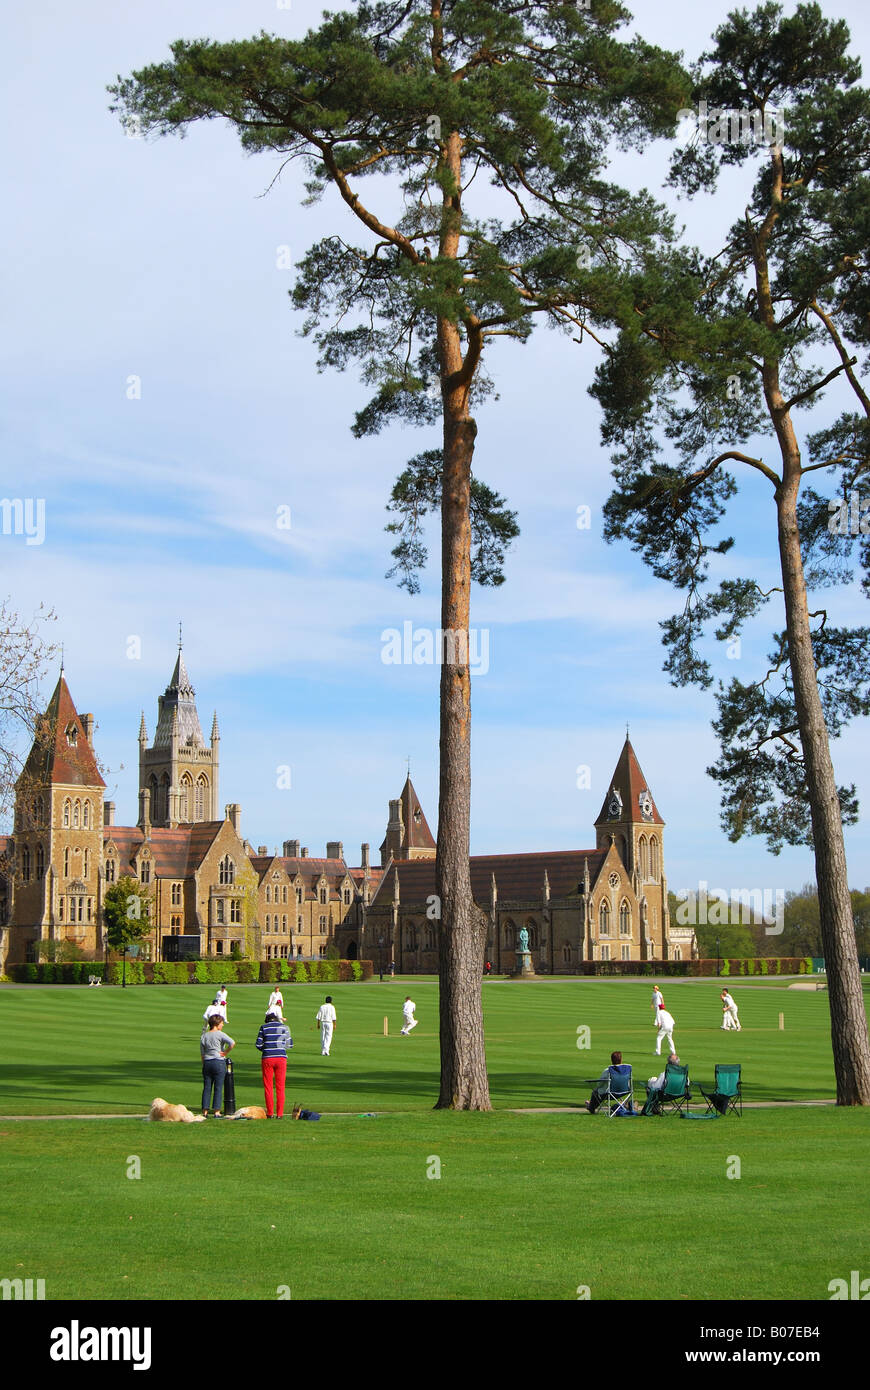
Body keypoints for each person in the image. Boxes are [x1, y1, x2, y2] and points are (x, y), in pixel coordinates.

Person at [256, 1009, 293, 1118]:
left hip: (267, 1058)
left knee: (268, 1086)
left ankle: (270, 1113)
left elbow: (258, 1044)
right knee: (280, 1087)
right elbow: (289, 1045)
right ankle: (280, 1114)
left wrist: (266, 1048)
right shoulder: (284, 1027)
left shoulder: (264, 1027)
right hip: (281, 1058)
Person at [200, 1014, 235, 1116]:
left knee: (207, 1087)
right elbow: (232, 1043)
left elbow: (202, 1053)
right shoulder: (220, 1034)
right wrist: (225, 1053)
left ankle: (205, 1111)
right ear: (217, 1024)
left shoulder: (204, 1036)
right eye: (221, 1023)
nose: (222, 1025)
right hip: (218, 1062)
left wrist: (205, 1064)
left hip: (207, 1062)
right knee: (218, 1087)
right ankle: (216, 1111)